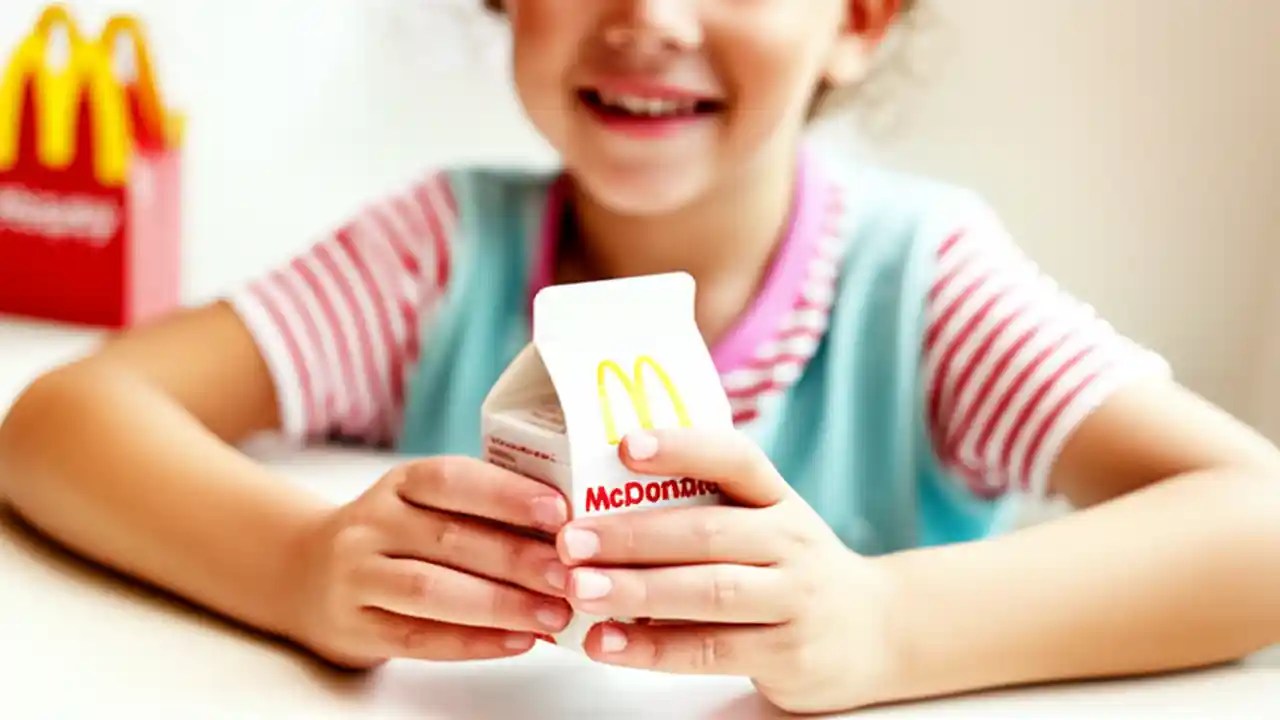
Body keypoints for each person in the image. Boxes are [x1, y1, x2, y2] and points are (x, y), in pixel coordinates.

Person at [1, 0, 1278, 713]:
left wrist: (879, 625)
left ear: (860, 17)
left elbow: (1259, 526)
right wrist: (293, 564)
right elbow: (62, 418)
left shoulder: (921, 287)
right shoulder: (437, 254)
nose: (647, 16)